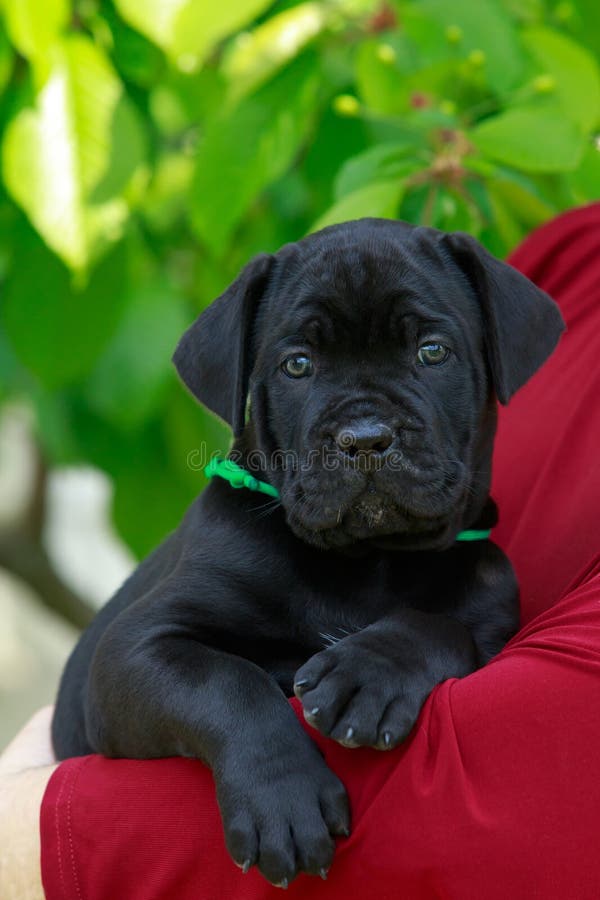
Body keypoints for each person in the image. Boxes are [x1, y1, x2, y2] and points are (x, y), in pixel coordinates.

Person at [1, 202, 600, 900]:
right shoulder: (239, 546)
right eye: (300, 363)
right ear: (242, 389)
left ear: (493, 350)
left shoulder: (474, 589)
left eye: (429, 352)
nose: (366, 427)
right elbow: (130, 667)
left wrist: (420, 646)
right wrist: (253, 740)